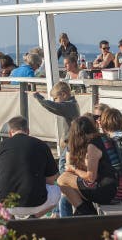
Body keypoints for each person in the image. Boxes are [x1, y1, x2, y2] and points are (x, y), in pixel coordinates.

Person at [0, 116, 60, 218]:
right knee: (56, 191)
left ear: (10, 133)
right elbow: (51, 180)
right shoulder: (42, 145)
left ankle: (9, 217)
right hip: (37, 203)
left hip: (6, 204)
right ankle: (33, 217)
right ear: (28, 131)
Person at [57, 116, 122, 216]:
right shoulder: (104, 138)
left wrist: (73, 168)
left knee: (62, 179)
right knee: (72, 185)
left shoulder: (93, 146)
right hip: (121, 190)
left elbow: (90, 177)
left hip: (112, 193)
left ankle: (86, 211)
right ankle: (84, 211)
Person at [34, 82, 81, 218]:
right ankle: (58, 210)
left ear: (64, 95)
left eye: (56, 97)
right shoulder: (69, 105)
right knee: (61, 176)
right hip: (68, 143)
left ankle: (58, 211)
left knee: (62, 177)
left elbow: (53, 107)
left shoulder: (70, 105)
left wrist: (39, 98)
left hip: (71, 146)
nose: (54, 100)